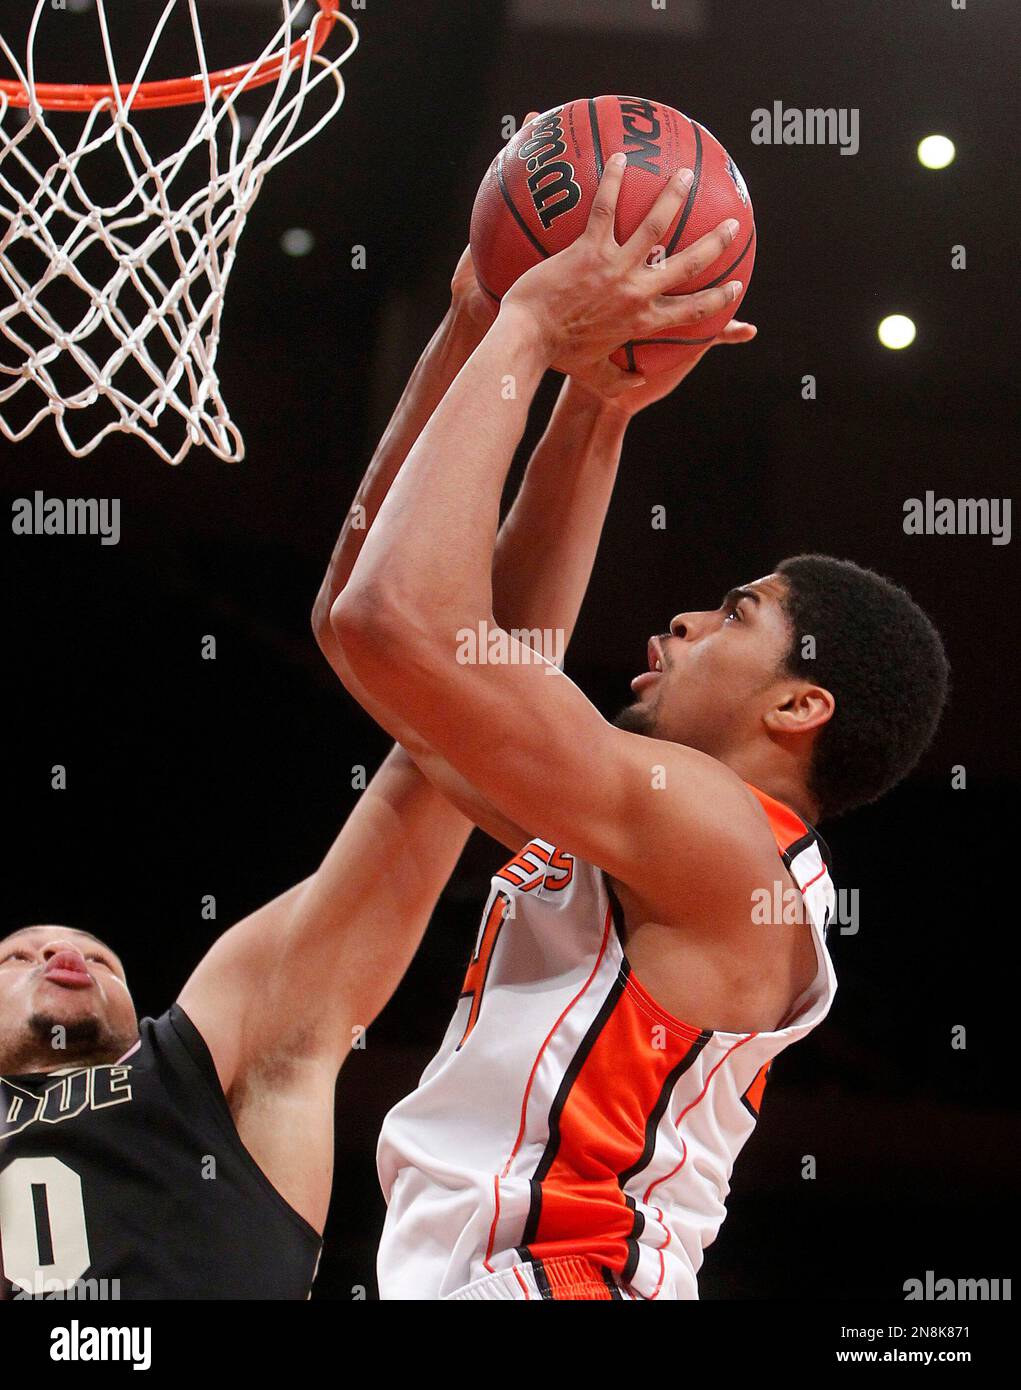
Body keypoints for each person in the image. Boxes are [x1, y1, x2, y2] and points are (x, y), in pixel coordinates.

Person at [0, 216, 702, 1299]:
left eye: (90, 951)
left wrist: (569, 392)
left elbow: (464, 719)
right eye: (14, 956)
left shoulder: (208, 1071)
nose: (65, 954)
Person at [324, 155, 950, 1300]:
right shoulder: (650, 843)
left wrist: (525, 327)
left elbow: (394, 621)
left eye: (739, 612)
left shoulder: (715, 839)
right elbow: (373, 633)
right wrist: (572, 387)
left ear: (798, 704)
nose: (687, 616)